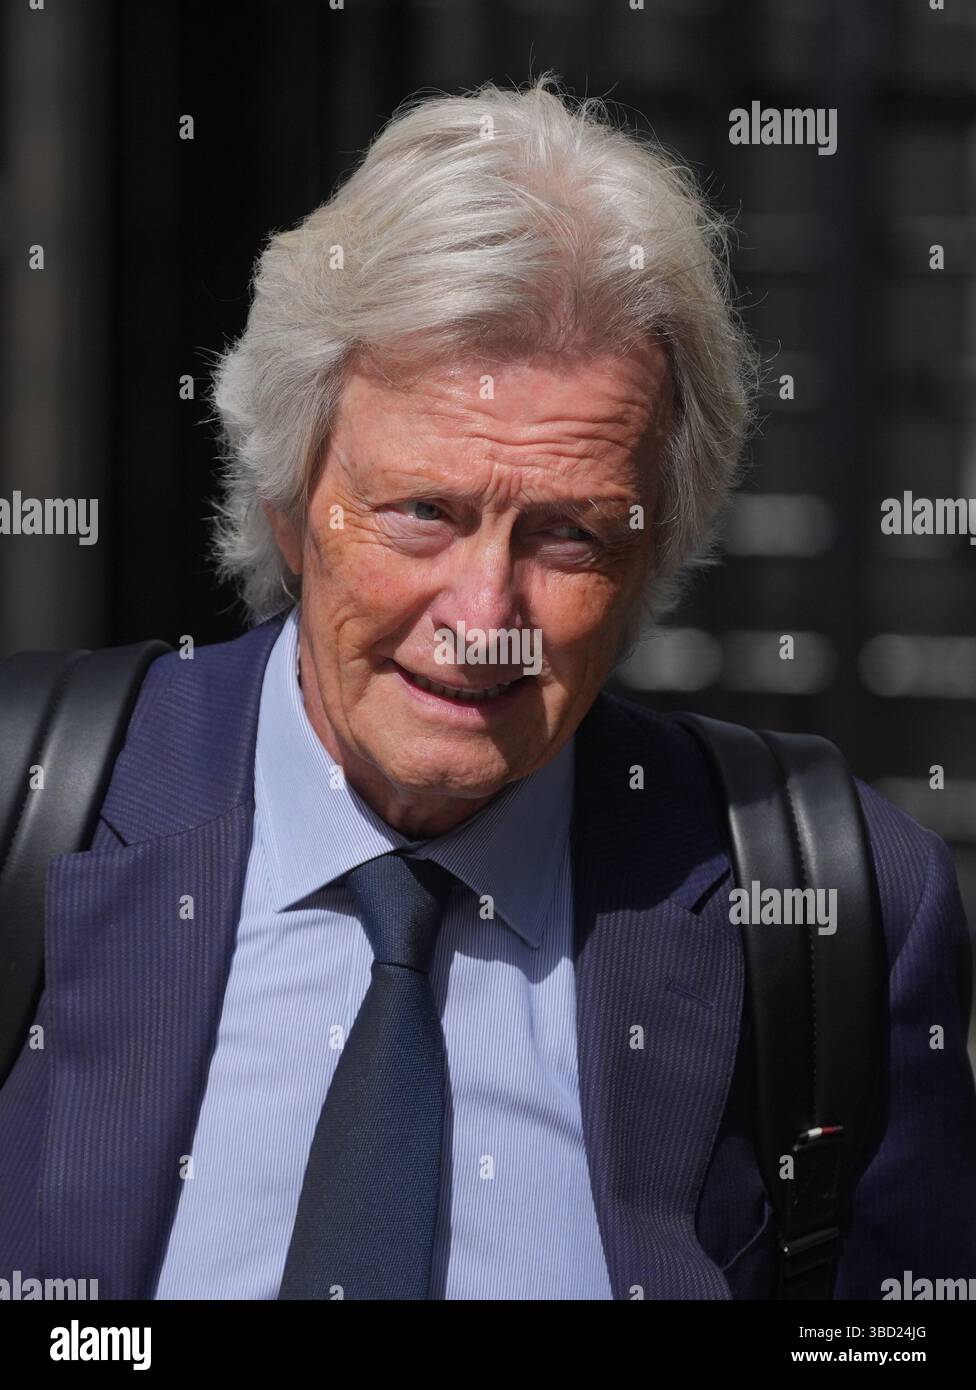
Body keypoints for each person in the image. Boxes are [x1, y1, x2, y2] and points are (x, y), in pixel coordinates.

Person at [1, 75, 974, 1302]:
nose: (483, 619)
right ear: (289, 502)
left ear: (654, 554)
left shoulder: (834, 909)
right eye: (422, 512)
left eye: (567, 534)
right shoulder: (40, 808)